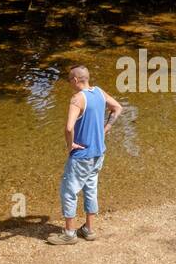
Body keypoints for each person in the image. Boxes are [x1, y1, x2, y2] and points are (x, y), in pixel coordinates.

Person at [48, 65, 122, 245]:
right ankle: (88, 229)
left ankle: (69, 234)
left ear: (75, 80)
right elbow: (118, 108)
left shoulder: (77, 99)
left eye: (68, 80)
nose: (69, 83)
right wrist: (106, 129)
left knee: (69, 191)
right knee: (91, 189)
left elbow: (68, 127)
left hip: (81, 156)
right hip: (98, 153)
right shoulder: (99, 92)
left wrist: (70, 145)